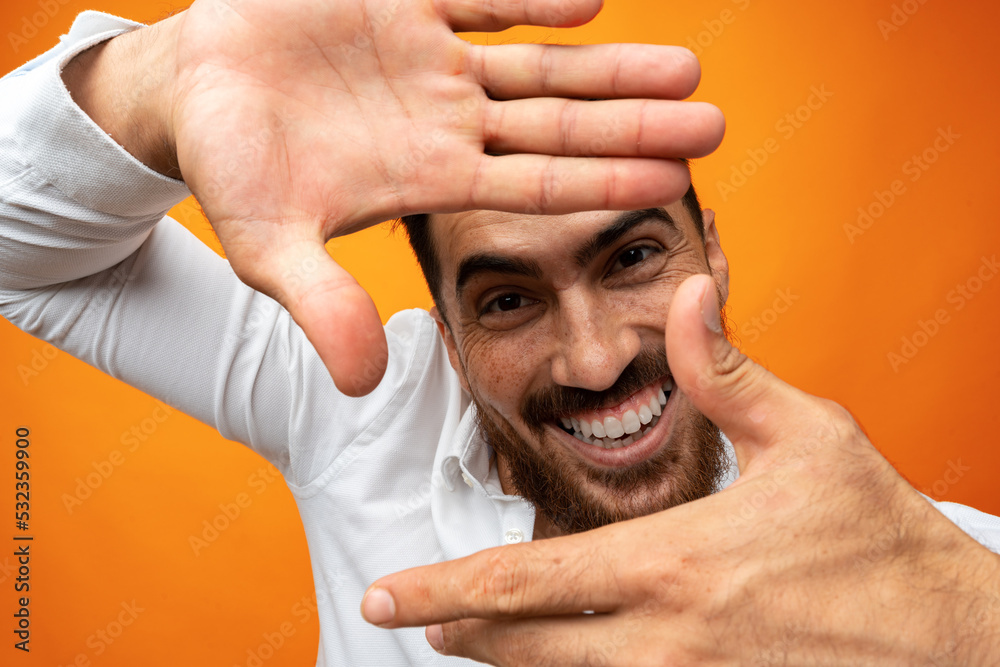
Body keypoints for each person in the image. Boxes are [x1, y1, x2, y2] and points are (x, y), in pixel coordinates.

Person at [0, 3, 996, 667]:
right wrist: (165, 79)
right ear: (447, 334)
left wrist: (963, 619)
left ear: (715, 257)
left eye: (632, 258)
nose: (596, 359)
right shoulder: (363, 413)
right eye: (508, 301)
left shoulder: (919, 569)